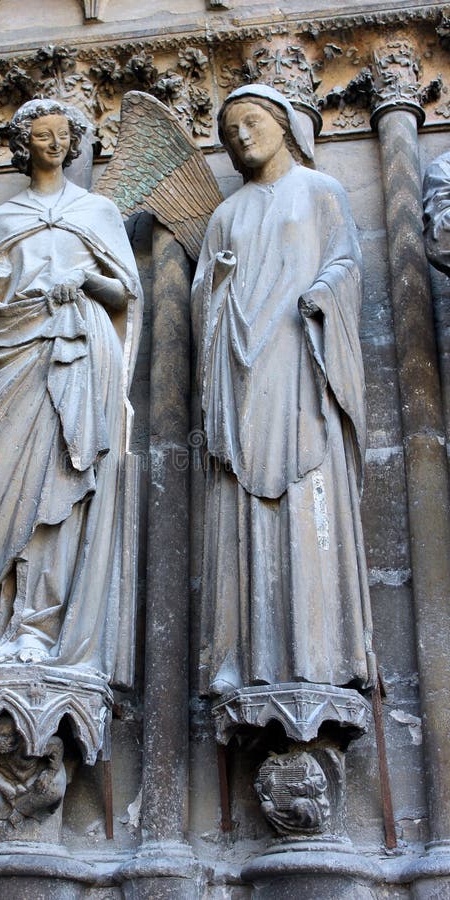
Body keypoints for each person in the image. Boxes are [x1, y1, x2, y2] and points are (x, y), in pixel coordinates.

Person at [193, 84, 376, 698]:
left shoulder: (321, 192)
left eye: (250, 122)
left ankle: (325, 653)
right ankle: (246, 659)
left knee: (309, 502)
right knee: (244, 511)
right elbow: (204, 300)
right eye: (228, 134)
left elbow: (347, 262)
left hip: (304, 366)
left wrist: (324, 295)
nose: (241, 137)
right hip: (245, 379)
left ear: (282, 122)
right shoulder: (226, 214)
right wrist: (215, 286)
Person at [0, 99, 143, 684]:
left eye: (64, 135)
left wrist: (85, 279)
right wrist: (7, 289)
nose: (54, 143)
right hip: (16, 355)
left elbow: (126, 294)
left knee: (59, 485)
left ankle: (41, 627)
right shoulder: (5, 216)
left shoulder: (97, 209)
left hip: (79, 355)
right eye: (41, 135)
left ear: (77, 141)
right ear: (23, 145)